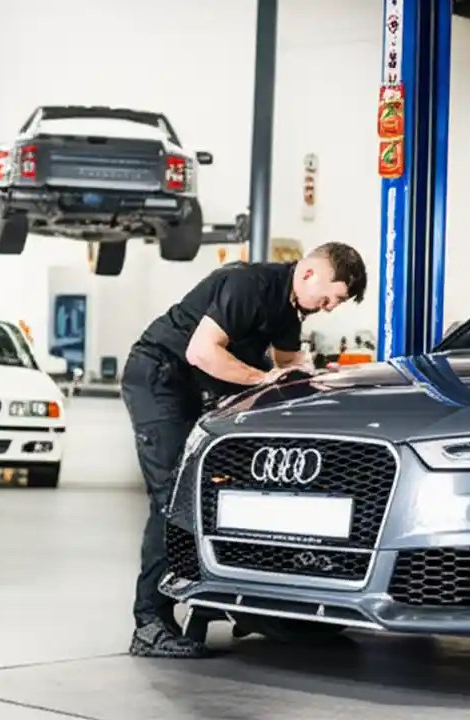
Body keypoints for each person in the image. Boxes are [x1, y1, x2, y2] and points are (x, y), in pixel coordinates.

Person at [119, 242, 367, 658]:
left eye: (337, 304)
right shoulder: (249, 285)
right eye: (331, 296)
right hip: (161, 378)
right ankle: (149, 622)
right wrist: (264, 378)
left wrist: (327, 384)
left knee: (224, 497)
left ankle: (243, 603)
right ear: (309, 273)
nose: (328, 308)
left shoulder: (292, 310)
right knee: (172, 498)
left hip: (202, 387)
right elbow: (202, 352)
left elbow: (291, 368)